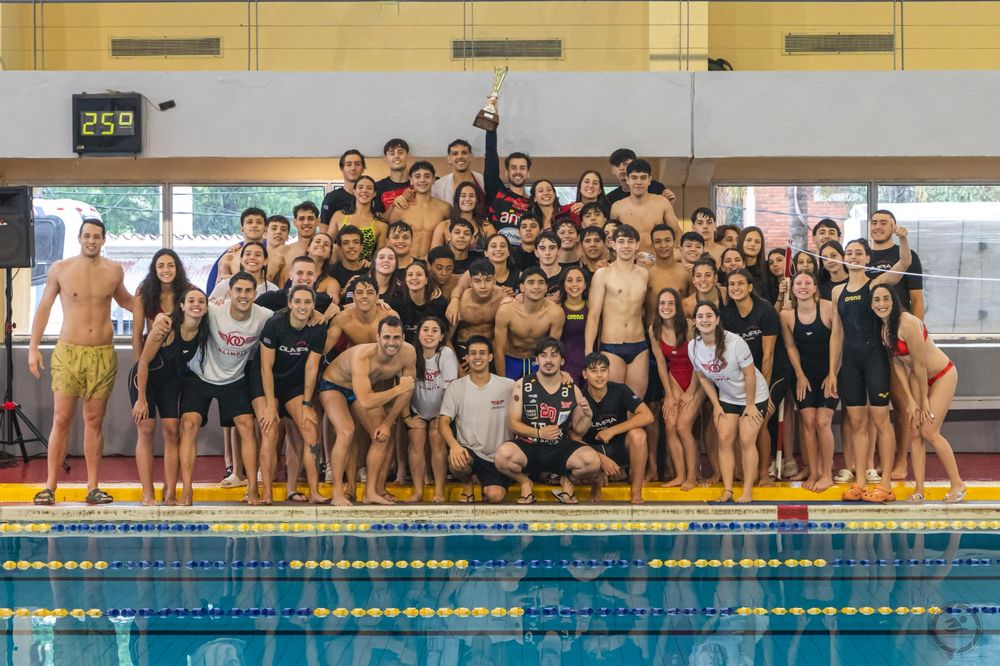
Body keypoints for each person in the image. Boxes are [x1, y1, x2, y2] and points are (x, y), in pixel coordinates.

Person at [29, 219, 133, 506]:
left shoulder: (113, 270)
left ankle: (93, 486)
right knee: (61, 419)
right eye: (87, 236)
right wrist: (33, 347)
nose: (91, 240)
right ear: (79, 238)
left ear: (103, 240)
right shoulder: (61, 269)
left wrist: (159, 309)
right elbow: (45, 306)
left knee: (94, 420)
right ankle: (49, 486)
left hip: (102, 353)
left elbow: (126, 301)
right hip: (69, 352)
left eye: (96, 237)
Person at [825, 231, 912, 503]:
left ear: (867, 258)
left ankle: (884, 484)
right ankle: (860, 482)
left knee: (881, 422)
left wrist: (904, 240)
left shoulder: (877, 284)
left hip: (875, 361)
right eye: (848, 253)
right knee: (856, 423)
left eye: (858, 253)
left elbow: (904, 264)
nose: (852, 257)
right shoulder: (837, 291)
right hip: (850, 365)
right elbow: (837, 334)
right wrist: (831, 371)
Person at [178, 272, 272, 506]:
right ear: (229, 293)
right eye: (238, 290)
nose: (243, 295)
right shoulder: (214, 309)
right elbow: (186, 310)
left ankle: (252, 490)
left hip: (234, 378)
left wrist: (322, 311)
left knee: (247, 426)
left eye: (248, 291)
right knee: (189, 424)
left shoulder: (263, 316)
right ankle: (187, 490)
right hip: (200, 375)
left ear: (254, 294)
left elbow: (289, 313)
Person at [872, 285, 965, 503]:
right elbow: (897, 362)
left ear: (894, 301)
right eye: (876, 300)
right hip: (917, 378)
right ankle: (919, 490)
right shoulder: (885, 328)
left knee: (929, 431)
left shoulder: (908, 322)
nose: (881, 304)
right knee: (914, 432)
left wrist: (922, 401)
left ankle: (958, 483)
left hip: (941, 375)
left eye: (886, 299)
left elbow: (921, 365)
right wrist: (910, 400)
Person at [318, 316, 417, 505]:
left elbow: (408, 390)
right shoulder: (362, 356)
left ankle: (370, 492)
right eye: (386, 337)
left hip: (362, 391)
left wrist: (388, 423)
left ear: (403, 337)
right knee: (346, 431)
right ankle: (338, 493)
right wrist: (397, 389)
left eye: (396, 338)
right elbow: (366, 400)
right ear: (378, 337)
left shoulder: (408, 353)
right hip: (334, 385)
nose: (391, 343)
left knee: (382, 435)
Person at [494, 338, 599, 504]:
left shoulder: (572, 388)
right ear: (536, 360)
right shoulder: (523, 385)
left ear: (562, 360)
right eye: (543, 355)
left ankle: (567, 482)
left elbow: (579, 430)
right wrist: (538, 432)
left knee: (592, 461)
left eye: (554, 355)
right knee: (502, 456)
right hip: (528, 446)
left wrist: (588, 415)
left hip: (559, 447)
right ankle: (525, 483)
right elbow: (513, 423)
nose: (548, 360)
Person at [129, 287, 207, 506]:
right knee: (146, 429)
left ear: (206, 308)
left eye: (201, 301)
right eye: (191, 300)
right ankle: (147, 493)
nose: (196, 304)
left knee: (172, 433)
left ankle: (170, 492)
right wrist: (141, 399)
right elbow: (143, 362)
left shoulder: (204, 330)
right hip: (144, 379)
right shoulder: (165, 327)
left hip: (170, 383)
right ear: (181, 306)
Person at [689, 301, 770, 504]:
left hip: (754, 395)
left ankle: (747, 491)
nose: (704, 320)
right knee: (724, 439)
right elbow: (702, 378)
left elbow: (750, 375)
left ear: (717, 320)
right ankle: (727, 490)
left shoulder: (735, 343)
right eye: (700, 316)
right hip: (727, 397)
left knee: (746, 440)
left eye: (709, 316)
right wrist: (716, 405)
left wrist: (750, 405)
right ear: (694, 322)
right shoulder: (694, 346)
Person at [868, 209, 925, 481]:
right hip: (870, 338)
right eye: (874, 223)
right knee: (874, 407)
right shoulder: (863, 257)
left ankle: (901, 461)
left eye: (884, 223)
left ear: (893, 226)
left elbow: (917, 300)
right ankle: (876, 461)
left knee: (902, 403)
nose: (878, 227)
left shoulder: (907, 257)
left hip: (898, 337)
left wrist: (917, 339)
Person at [258, 285, 328, 505]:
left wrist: (307, 403)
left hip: (294, 385)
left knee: (310, 430)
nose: (302, 306)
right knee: (270, 431)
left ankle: (313, 490)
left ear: (313, 305)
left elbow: (311, 367)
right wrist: (270, 404)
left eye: (307, 302)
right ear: (289, 303)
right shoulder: (274, 325)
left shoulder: (318, 327)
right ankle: (267, 493)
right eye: (297, 301)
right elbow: (266, 368)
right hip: (266, 382)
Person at [722, 269, 783, 484]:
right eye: (732, 284)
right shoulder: (727, 314)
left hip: (772, 370)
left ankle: (764, 473)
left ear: (750, 287)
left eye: (741, 284)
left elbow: (769, 354)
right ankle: (744, 471)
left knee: (760, 418)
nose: (736, 288)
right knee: (741, 422)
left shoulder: (765, 311)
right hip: (744, 373)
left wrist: (762, 395)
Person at [440, 335, 515, 504]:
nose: (477, 357)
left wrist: (562, 376)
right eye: (473, 353)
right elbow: (443, 422)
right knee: (457, 462)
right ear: (466, 357)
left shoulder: (508, 386)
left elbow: (534, 386)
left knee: (495, 496)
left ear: (490, 357)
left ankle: (485, 482)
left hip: (499, 457)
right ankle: (468, 483)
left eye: (482, 353)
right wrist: (454, 446)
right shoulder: (456, 387)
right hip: (470, 452)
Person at [780, 271, 837, 493]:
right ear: (792, 289)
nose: (802, 287)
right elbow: (791, 347)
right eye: (798, 283)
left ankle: (827, 474)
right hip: (804, 375)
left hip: (829, 373)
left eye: (807, 283)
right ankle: (814, 472)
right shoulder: (787, 316)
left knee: (823, 422)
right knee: (808, 421)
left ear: (815, 287)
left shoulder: (828, 308)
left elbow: (837, 342)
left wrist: (833, 373)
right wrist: (800, 375)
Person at [586, 224, 650, 398]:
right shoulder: (603, 274)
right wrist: (588, 352)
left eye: (630, 241)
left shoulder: (644, 274)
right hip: (611, 346)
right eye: (621, 241)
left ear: (637, 245)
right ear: (613, 244)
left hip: (639, 346)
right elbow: (593, 316)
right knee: (613, 406)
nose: (626, 246)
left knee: (636, 405)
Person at [581, 352, 653, 504]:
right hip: (592, 452)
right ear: (585, 374)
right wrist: (601, 460)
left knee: (638, 434)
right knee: (583, 456)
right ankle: (596, 483)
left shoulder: (620, 390)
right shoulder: (579, 397)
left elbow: (647, 416)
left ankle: (636, 492)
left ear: (609, 372)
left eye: (603, 370)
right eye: (594, 371)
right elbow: (573, 438)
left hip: (619, 446)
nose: (599, 375)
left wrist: (612, 430)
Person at [649, 287, 702, 491]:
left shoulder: (688, 326)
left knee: (682, 426)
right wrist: (669, 395)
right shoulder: (654, 330)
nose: (666, 307)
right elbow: (662, 365)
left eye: (671, 303)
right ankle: (680, 475)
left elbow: (699, 361)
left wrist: (691, 391)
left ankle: (692, 476)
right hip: (675, 375)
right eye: (662, 303)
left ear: (677, 306)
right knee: (670, 424)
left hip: (698, 377)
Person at [404, 317, 458, 503]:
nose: (429, 334)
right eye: (425, 329)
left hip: (441, 409)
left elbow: (449, 390)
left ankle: (439, 491)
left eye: (435, 330)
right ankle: (418, 491)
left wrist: (442, 416)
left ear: (442, 336)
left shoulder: (446, 354)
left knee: (436, 438)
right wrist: (407, 417)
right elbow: (403, 390)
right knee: (416, 439)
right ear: (418, 334)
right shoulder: (409, 354)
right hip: (416, 409)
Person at [494, 266, 565, 380]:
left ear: (546, 287)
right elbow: (498, 349)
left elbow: (552, 350)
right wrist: (502, 379)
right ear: (522, 287)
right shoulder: (506, 311)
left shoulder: (556, 313)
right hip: (511, 360)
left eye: (541, 282)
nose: (536, 287)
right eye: (531, 282)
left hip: (537, 362)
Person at [483, 97, 532, 245]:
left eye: (522, 168)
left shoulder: (534, 204)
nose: (518, 172)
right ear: (506, 173)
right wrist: (492, 121)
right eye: (513, 168)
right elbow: (490, 154)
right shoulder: (496, 192)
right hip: (497, 254)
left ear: (528, 173)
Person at [609, 160, 680, 253]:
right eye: (634, 178)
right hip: (630, 262)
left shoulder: (662, 203)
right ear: (627, 179)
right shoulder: (617, 208)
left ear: (649, 179)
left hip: (658, 261)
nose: (639, 182)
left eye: (643, 178)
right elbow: (612, 240)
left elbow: (677, 234)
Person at [131, 248, 190, 360]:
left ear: (177, 268)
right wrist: (138, 368)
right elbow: (136, 336)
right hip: (153, 356)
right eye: (161, 266)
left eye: (171, 265)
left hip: (182, 355)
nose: (166, 270)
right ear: (155, 269)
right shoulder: (143, 294)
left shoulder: (189, 292)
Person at [388, 161, 452, 258]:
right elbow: (389, 239)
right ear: (411, 180)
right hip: (405, 264)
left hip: (432, 264)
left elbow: (450, 238)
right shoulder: (401, 206)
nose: (422, 180)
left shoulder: (445, 208)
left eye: (427, 176)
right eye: (417, 176)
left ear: (434, 179)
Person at [454, 259, 505, 365]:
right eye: (477, 281)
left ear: (494, 280)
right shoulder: (461, 303)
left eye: (488, 280)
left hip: (491, 348)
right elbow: (447, 339)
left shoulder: (502, 298)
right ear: (470, 282)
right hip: (464, 347)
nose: (483, 286)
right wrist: (458, 367)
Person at [388, 261, 448, 344]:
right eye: (410, 275)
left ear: (426, 279)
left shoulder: (439, 303)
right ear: (405, 280)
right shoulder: (396, 303)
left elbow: (443, 334)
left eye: (419, 274)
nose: (414, 277)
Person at [208, 207, 266, 290]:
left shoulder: (277, 258)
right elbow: (219, 291)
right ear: (242, 228)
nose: (254, 225)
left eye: (259, 222)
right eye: (249, 222)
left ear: (265, 228)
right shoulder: (229, 258)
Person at [331, 175, 386, 261]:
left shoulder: (381, 225)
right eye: (360, 187)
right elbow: (328, 243)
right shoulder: (339, 216)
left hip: (365, 271)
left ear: (374, 193)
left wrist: (371, 264)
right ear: (354, 191)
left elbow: (381, 256)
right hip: (338, 268)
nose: (364, 191)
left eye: (369, 188)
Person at [431, 181, 495, 252]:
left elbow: (493, 253)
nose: (467, 199)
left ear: (477, 200)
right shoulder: (443, 226)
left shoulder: (487, 227)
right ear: (457, 199)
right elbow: (434, 257)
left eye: (471, 196)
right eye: (463, 195)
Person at [210, 241, 277, 300]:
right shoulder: (226, 284)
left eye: (257, 255)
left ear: (265, 261)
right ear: (241, 260)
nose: (252, 257)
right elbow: (209, 307)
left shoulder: (273, 289)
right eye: (248, 254)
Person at [606, 148, 670, 206]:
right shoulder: (609, 199)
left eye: (626, 164)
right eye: (617, 165)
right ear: (613, 170)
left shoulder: (656, 187)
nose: (622, 168)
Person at [320, 149, 366, 228]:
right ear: (342, 168)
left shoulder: (371, 196)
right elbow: (324, 232)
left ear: (363, 168)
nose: (353, 168)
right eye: (348, 164)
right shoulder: (331, 198)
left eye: (357, 164)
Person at [559, 266, 589, 383]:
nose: (574, 284)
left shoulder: (592, 307)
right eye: (570, 280)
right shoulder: (556, 309)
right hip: (566, 365)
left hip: (589, 363)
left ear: (585, 285)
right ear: (564, 284)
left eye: (579, 280)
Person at [431, 138, 485, 204]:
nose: (460, 156)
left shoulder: (483, 182)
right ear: (449, 159)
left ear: (471, 157)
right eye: (455, 153)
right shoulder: (438, 187)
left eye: (464, 153)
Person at [328, 225, 368, 300]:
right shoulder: (331, 271)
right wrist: (345, 291)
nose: (351, 246)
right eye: (346, 243)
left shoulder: (369, 269)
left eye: (356, 242)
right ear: (340, 248)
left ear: (361, 247)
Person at [375, 138, 411, 212]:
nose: (396, 156)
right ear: (385, 159)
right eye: (392, 153)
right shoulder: (378, 187)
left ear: (408, 156)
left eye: (400, 152)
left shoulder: (419, 184)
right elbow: (378, 219)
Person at [534, 231, 563, 298]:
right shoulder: (529, 276)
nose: (547, 253)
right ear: (536, 252)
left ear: (559, 251)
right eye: (542, 248)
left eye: (552, 248)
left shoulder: (568, 276)